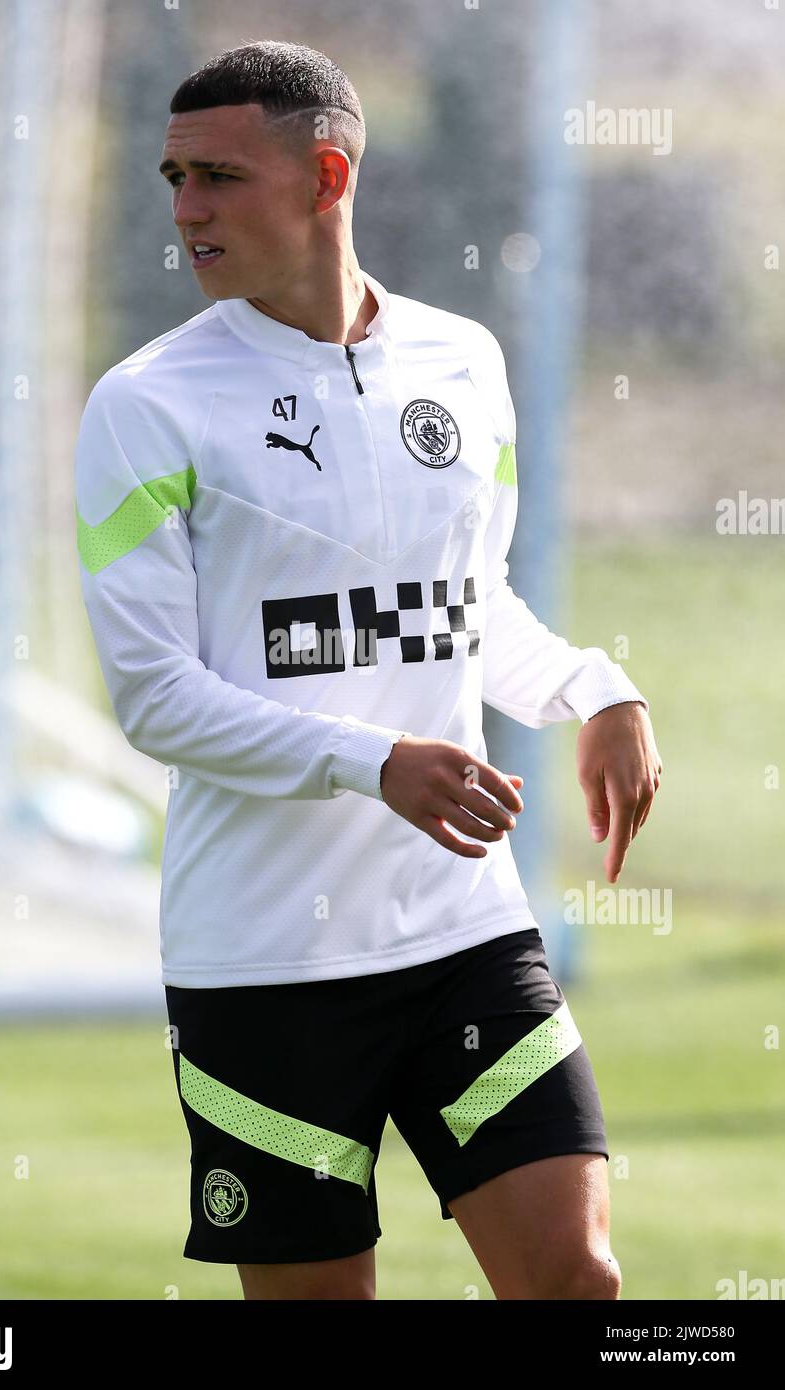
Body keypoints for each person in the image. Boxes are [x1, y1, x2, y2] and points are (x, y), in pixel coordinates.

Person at [74, 40, 662, 1300]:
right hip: (265, 964)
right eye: (173, 177)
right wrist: (373, 762)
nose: (186, 209)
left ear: (326, 174)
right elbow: (155, 695)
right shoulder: (146, 405)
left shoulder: (464, 361)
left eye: (220, 176)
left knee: (579, 1282)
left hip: (462, 927)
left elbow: (465, 606)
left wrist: (593, 688)